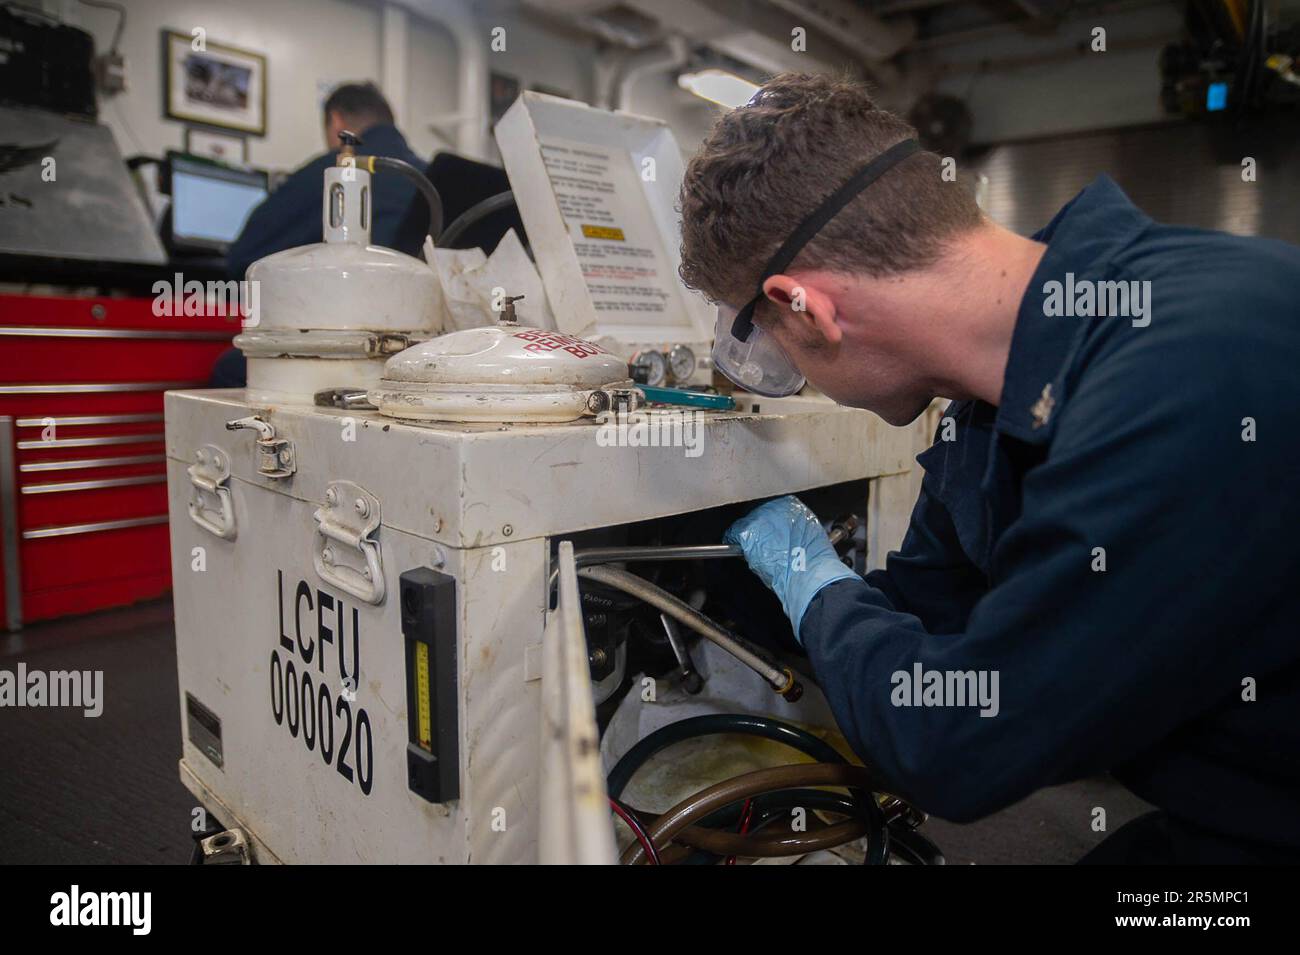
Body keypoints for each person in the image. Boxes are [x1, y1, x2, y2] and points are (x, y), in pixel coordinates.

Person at [680, 72, 1300, 863]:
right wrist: (748, 583)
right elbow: (920, 611)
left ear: (808, 307)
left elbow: (955, 740)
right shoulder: (992, 398)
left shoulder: (1187, 371)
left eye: (766, 339)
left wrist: (815, 583)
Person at [212, 83, 424, 386]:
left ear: (336, 121)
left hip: (348, 350)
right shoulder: (431, 177)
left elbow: (243, 260)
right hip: (422, 353)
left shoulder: (326, 173)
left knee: (229, 368)